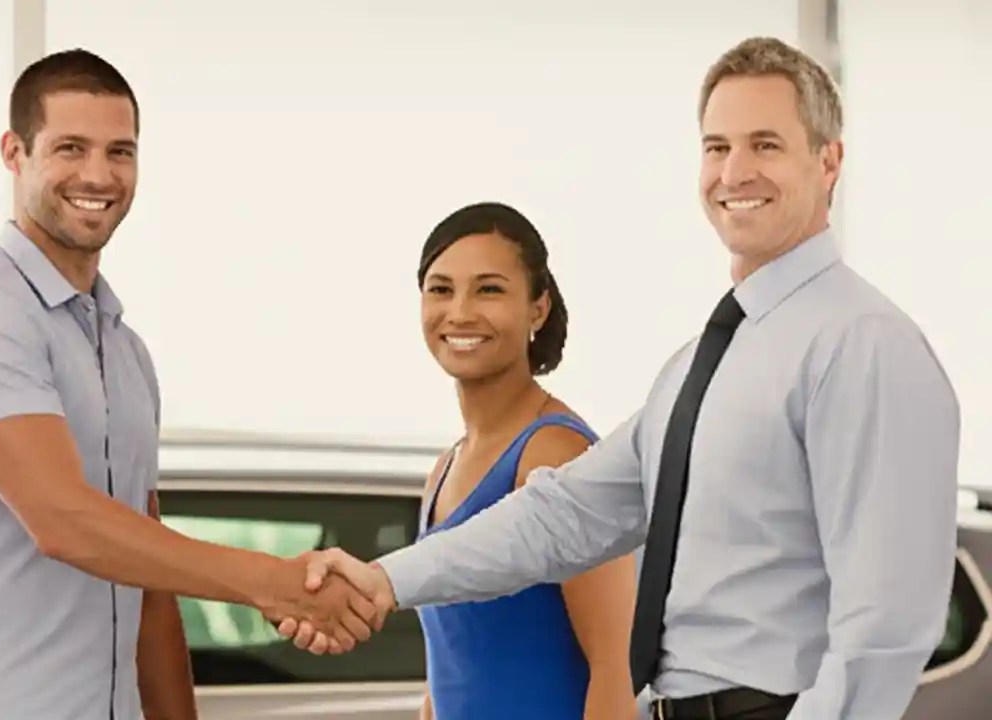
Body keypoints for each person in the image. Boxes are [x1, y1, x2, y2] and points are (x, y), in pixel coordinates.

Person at [283, 36, 960, 720]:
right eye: (717, 147)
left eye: (766, 145)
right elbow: (563, 516)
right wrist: (382, 579)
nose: (735, 172)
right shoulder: (703, 364)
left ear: (829, 160)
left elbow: (884, 627)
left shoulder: (862, 344)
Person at [0, 49, 379, 720]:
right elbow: (64, 521)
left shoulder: (126, 351)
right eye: (71, 147)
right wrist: (272, 583)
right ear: (14, 153)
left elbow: (149, 578)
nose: (98, 175)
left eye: (119, 152)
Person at [406, 201, 636, 720]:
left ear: (538, 307)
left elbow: (617, 669)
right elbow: (450, 675)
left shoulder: (557, 456)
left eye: (489, 289)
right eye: (441, 289)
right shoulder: (444, 468)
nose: (460, 311)